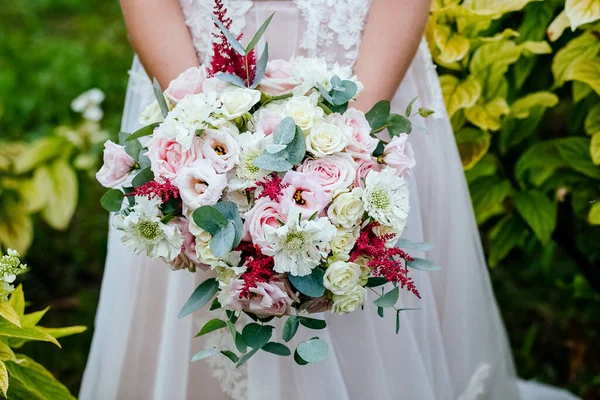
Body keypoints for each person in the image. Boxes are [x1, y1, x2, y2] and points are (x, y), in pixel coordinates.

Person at [80, 1, 580, 399]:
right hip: (193, 72)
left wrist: (351, 146)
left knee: (357, 263)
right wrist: (203, 141)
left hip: (367, 72)